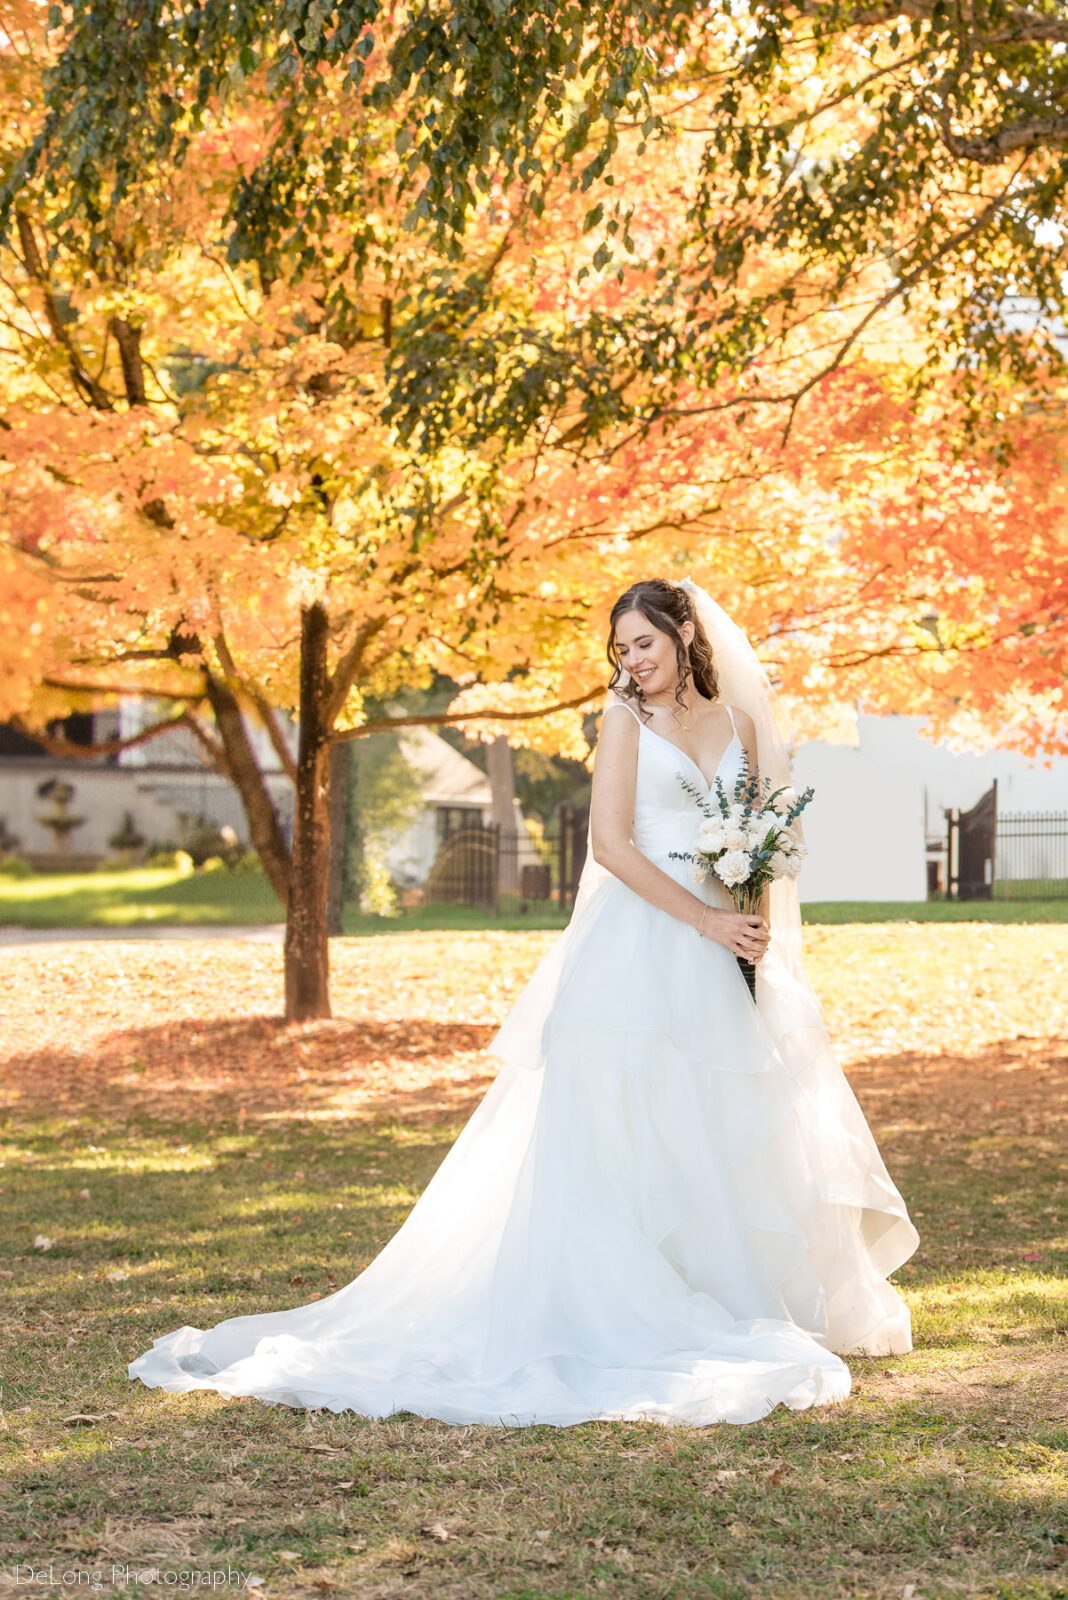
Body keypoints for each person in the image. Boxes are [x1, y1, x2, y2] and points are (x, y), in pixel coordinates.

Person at [129, 577, 918, 1427]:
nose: (633, 663)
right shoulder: (628, 719)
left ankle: (728, 1289)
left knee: (721, 1115)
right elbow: (610, 845)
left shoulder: (744, 724)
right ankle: (627, 1296)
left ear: (685, 632)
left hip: (726, 948)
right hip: (643, 943)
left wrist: (749, 933)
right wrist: (703, 921)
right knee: (628, 1122)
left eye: (644, 644)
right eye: (621, 651)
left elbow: (765, 839)